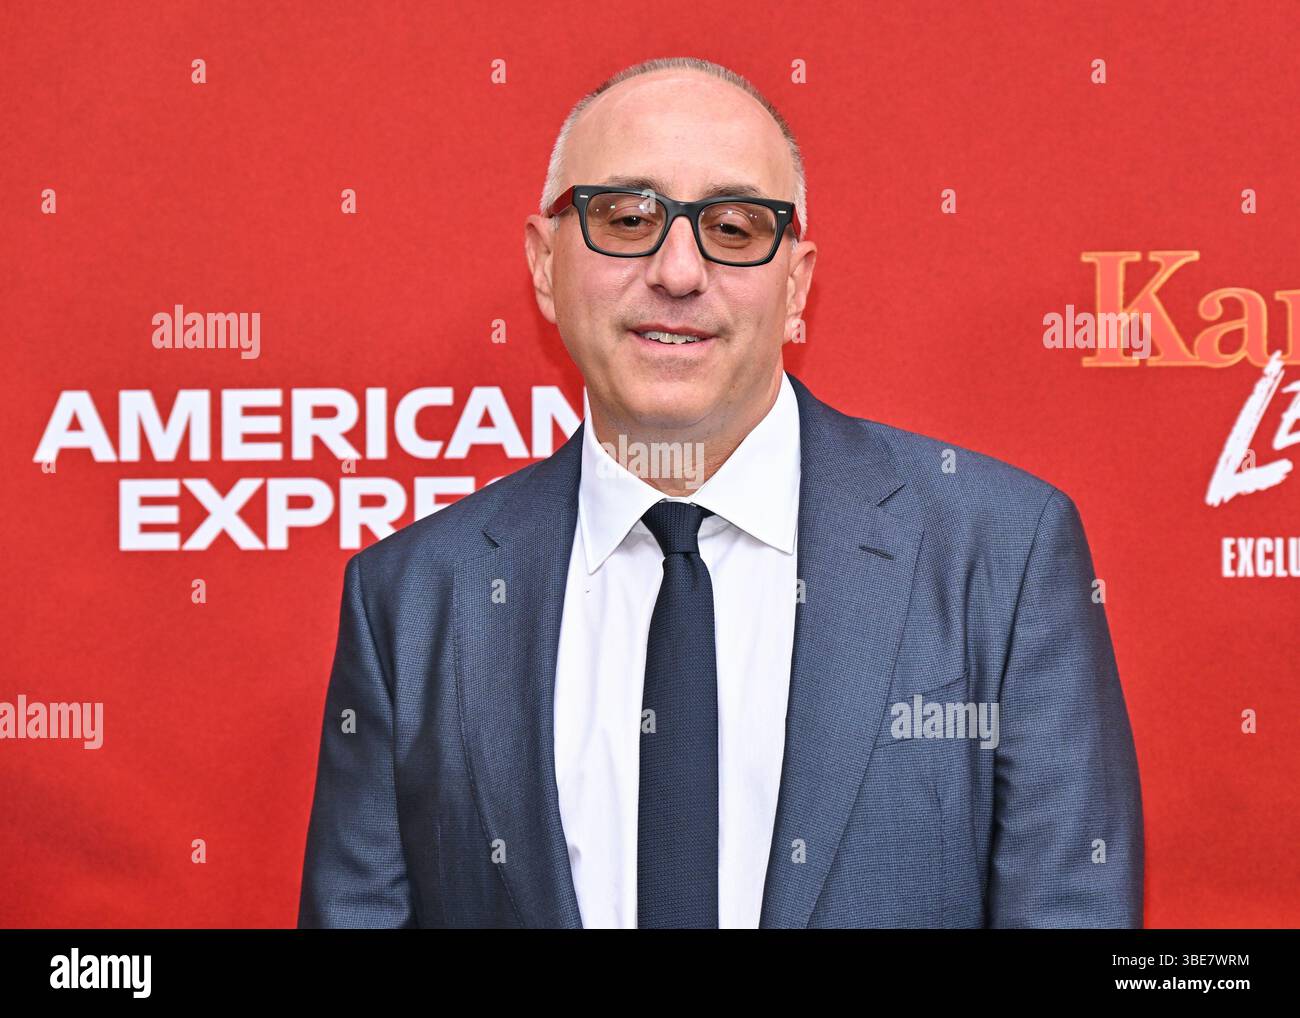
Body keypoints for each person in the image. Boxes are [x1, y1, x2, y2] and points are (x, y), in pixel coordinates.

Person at [297, 56, 1143, 929]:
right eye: (626, 218)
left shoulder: (1001, 556)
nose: (677, 270)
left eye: (735, 228)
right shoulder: (410, 598)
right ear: (544, 266)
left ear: (798, 282)